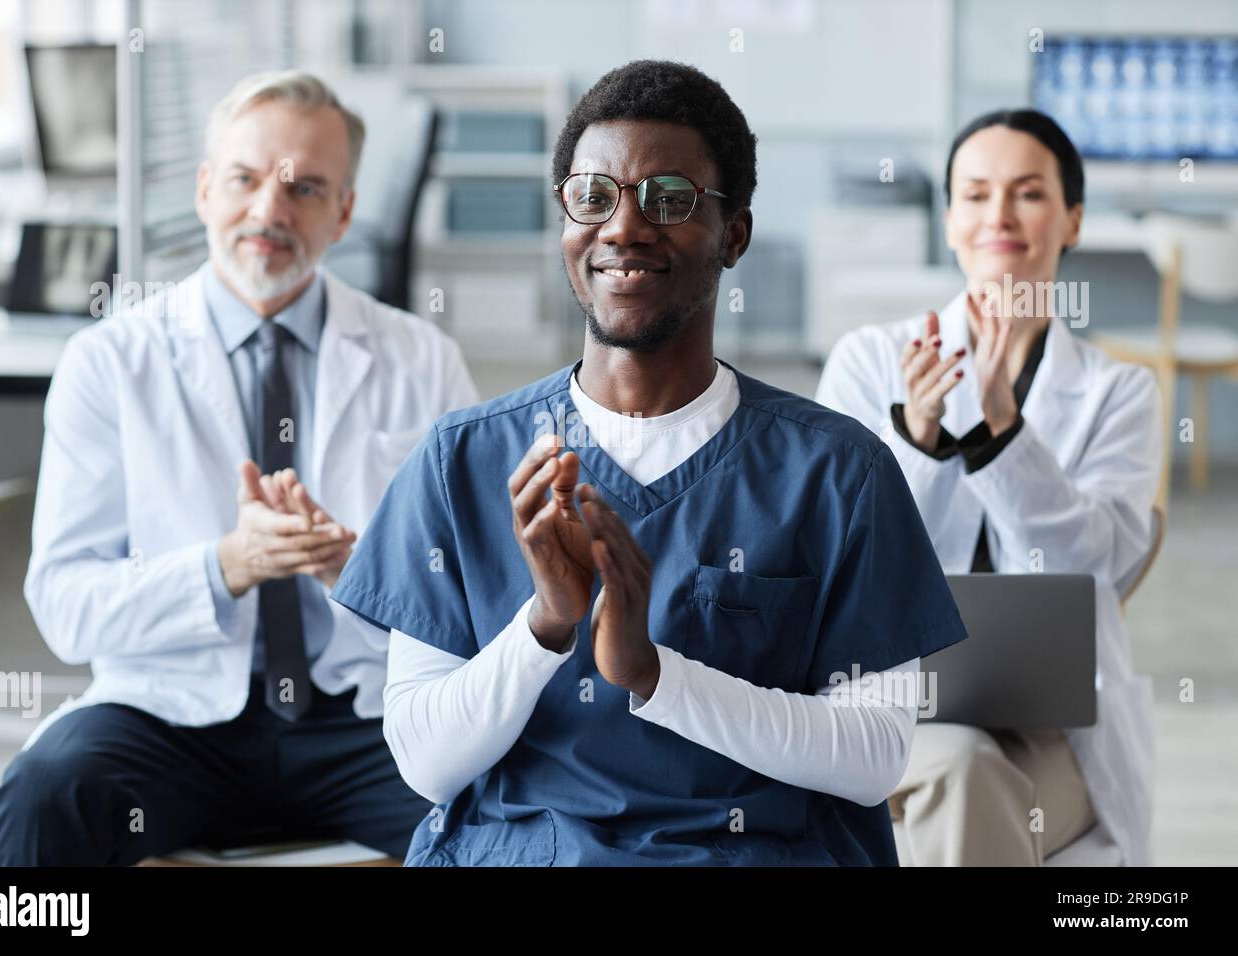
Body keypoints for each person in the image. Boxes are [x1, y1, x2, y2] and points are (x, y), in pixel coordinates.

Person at [330, 60, 967, 867]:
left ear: (733, 234)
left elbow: (874, 757)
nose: (623, 228)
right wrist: (545, 625)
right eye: (592, 196)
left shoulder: (840, 473)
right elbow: (425, 764)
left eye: (669, 200)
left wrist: (654, 674)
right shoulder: (460, 461)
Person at [0, 71, 479, 866]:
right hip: (168, 717)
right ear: (207, 190)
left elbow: (470, 602)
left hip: (365, 713)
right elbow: (67, 607)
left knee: (522, 806)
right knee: (47, 796)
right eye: (245, 179)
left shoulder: (421, 361)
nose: (269, 212)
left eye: (305, 188)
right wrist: (227, 565)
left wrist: (359, 570)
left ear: (344, 212)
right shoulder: (108, 362)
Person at [816, 109, 1160, 866]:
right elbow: (835, 553)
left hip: (1052, 732)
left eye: (1027, 193)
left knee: (972, 779)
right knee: (965, 774)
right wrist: (920, 440)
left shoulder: (1119, 392)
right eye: (974, 195)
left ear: (1071, 218)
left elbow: (1093, 565)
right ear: (949, 220)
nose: (998, 216)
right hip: (884, 707)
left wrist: (1004, 433)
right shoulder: (869, 362)